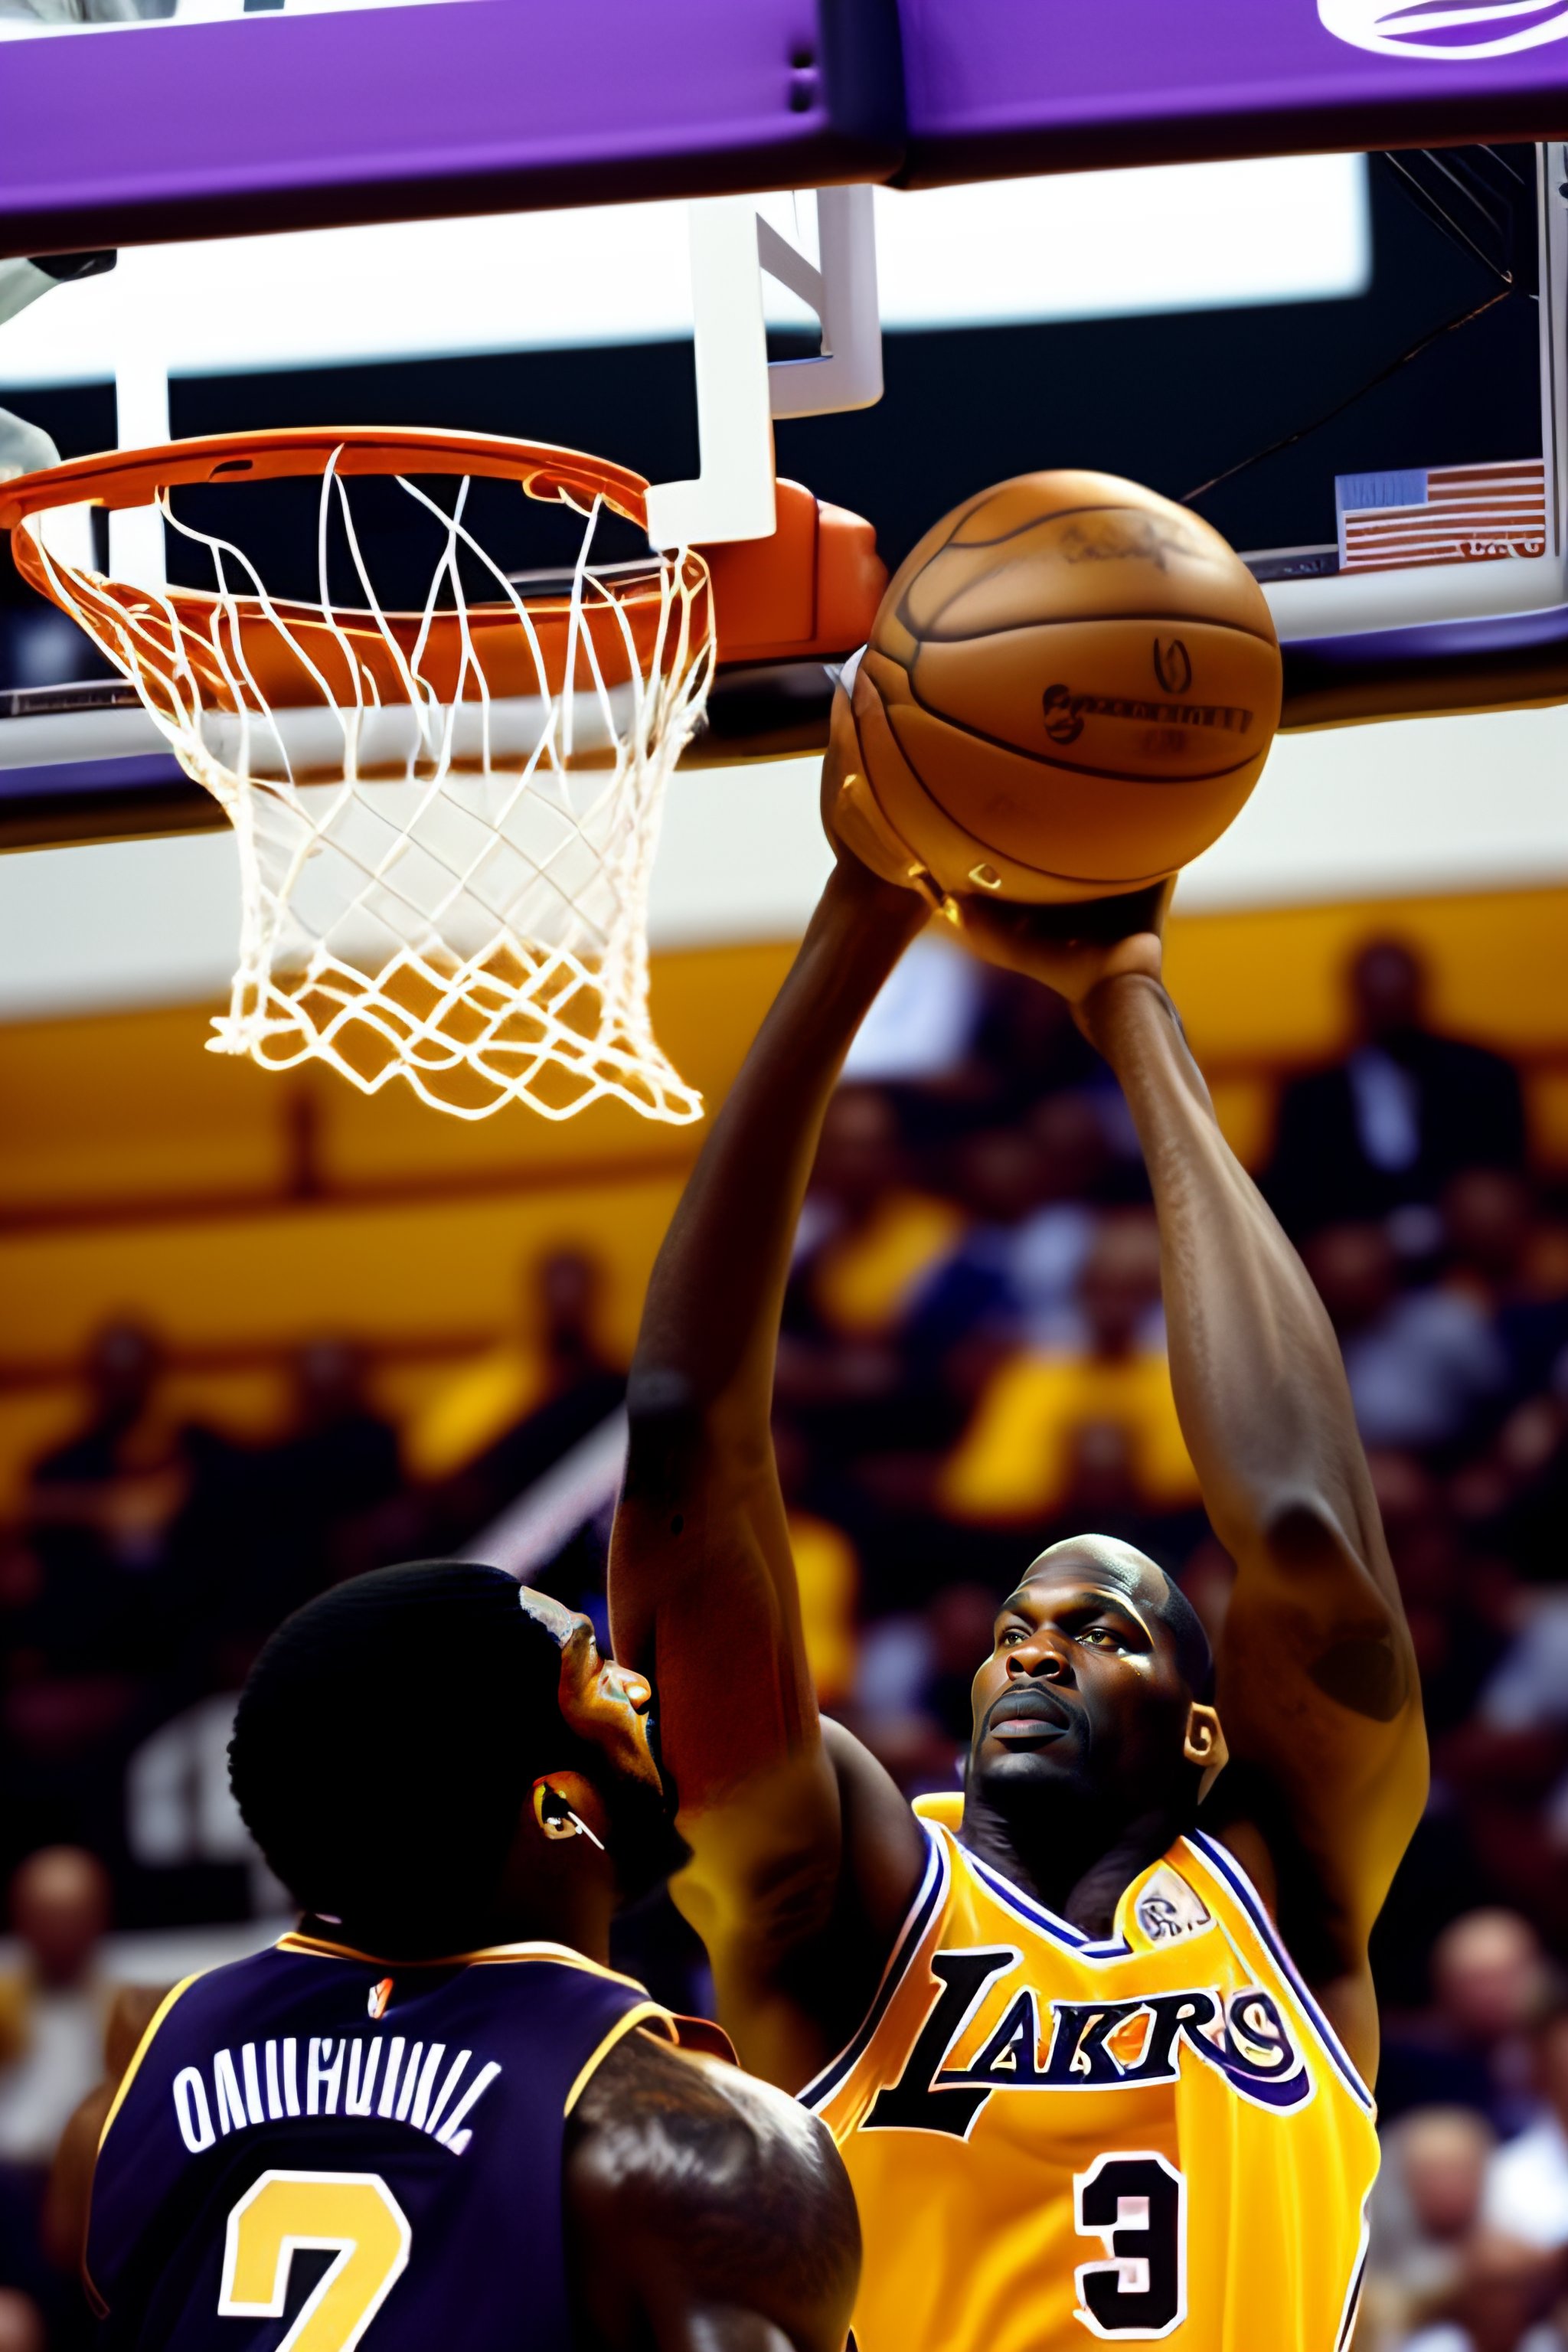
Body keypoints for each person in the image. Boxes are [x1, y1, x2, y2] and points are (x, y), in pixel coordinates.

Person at [609, 832, 1429, 2352]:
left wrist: (1129, 996)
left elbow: (1308, 1535)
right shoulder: (855, 1899)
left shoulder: (1284, 1891)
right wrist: (859, 917)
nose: (1036, 1649)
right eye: (1011, 1635)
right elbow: (681, 1441)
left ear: (1202, 1739)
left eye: (1102, 1633)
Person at [77, 1563, 858, 2351]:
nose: (639, 1687)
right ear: (557, 1809)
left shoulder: (137, 2080)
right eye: (594, 1673)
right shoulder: (700, 2144)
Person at [1265, 936, 1526, 1240]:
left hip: (1458, 1222)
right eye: (1377, 996)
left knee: (1486, 1205)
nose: (1389, 1006)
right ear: (1355, 998)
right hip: (1361, 1233)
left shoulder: (1481, 1072)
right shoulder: (1311, 1093)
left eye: (1398, 994)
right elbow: (1294, 1189)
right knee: (1347, 1259)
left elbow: (1510, 1164)